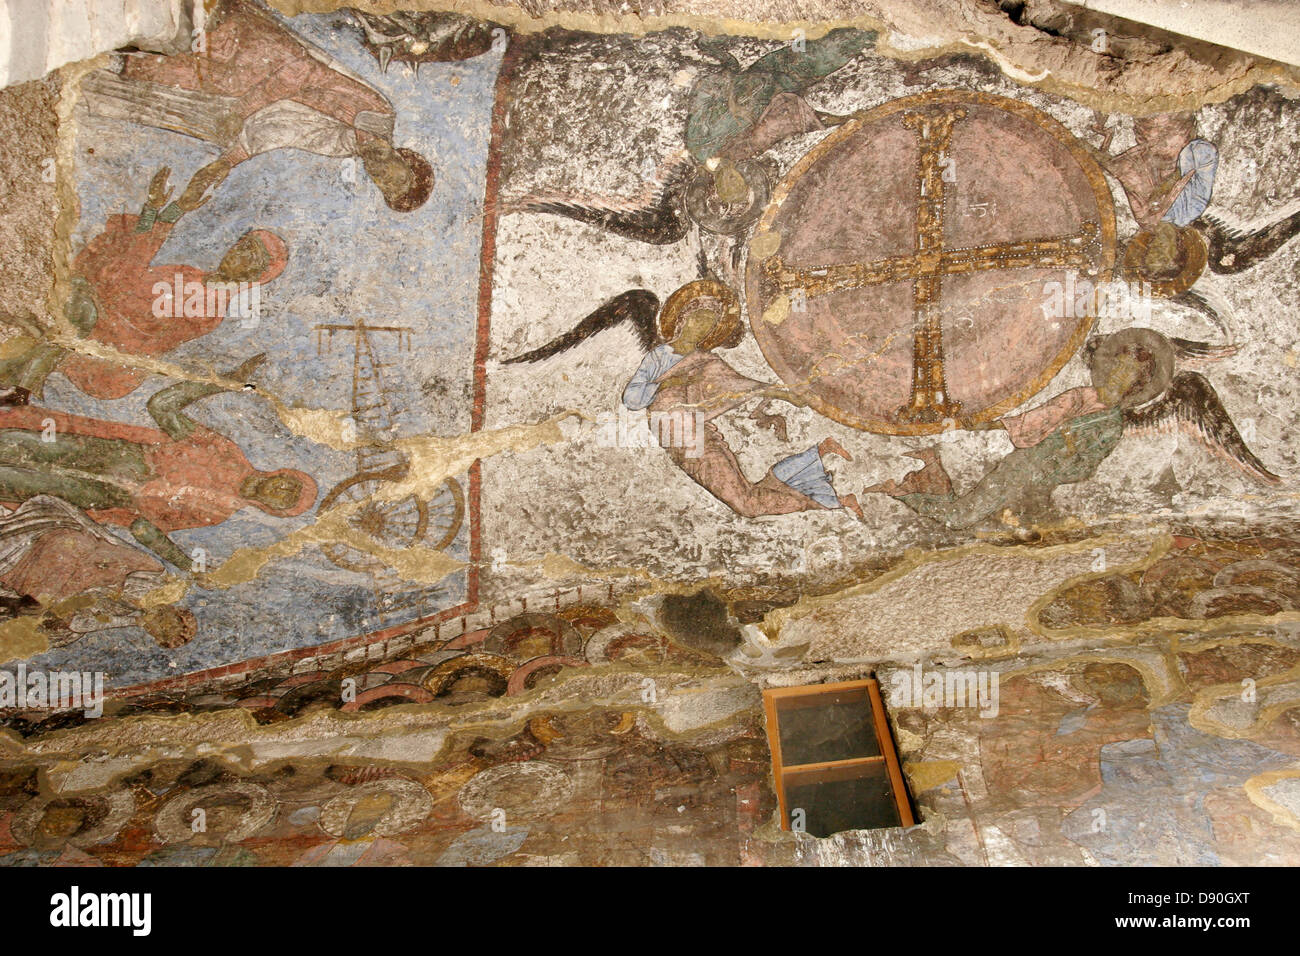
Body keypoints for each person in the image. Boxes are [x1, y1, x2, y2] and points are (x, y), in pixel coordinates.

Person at [867, 329, 1278, 529]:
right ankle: (903, 491)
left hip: (1044, 478)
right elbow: (1032, 425)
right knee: (961, 519)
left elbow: (1087, 464)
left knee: (1006, 522)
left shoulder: (1114, 420)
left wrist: (1067, 463)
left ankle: (932, 470)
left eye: (1127, 377)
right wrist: (973, 423)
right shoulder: (1080, 398)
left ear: (1137, 385)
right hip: (1025, 467)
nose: (1117, 380)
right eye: (1115, 369)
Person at [78, 0, 433, 213]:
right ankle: (118, 60)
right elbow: (301, 71)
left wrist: (224, 163)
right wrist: (245, 107)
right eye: (396, 177)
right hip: (265, 55)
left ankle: (113, 71)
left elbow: (284, 129)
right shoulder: (375, 113)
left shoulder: (345, 147)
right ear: (406, 157)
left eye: (384, 186)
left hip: (256, 81)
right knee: (225, 93)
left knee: (214, 120)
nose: (382, 176)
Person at [0, 355, 316, 570]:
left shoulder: (216, 511)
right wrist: (224, 382)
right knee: (14, 443)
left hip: (102, 494)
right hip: (112, 454)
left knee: (13, 481)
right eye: (290, 483)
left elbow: (142, 527)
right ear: (282, 472)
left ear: (273, 509)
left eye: (287, 498)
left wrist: (186, 566)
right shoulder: (227, 452)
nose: (282, 489)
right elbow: (162, 405)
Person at [0, 168, 287, 403]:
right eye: (243, 243)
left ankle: (21, 393)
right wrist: (168, 208)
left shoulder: (209, 309)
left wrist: (102, 298)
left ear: (257, 274)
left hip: (112, 361)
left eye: (249, 254)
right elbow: (129, 272)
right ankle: (15, 379)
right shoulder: (191, 274)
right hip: (103, 328)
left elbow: (134, 314)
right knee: (75, 295)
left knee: (80, 308)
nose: (236, 251)